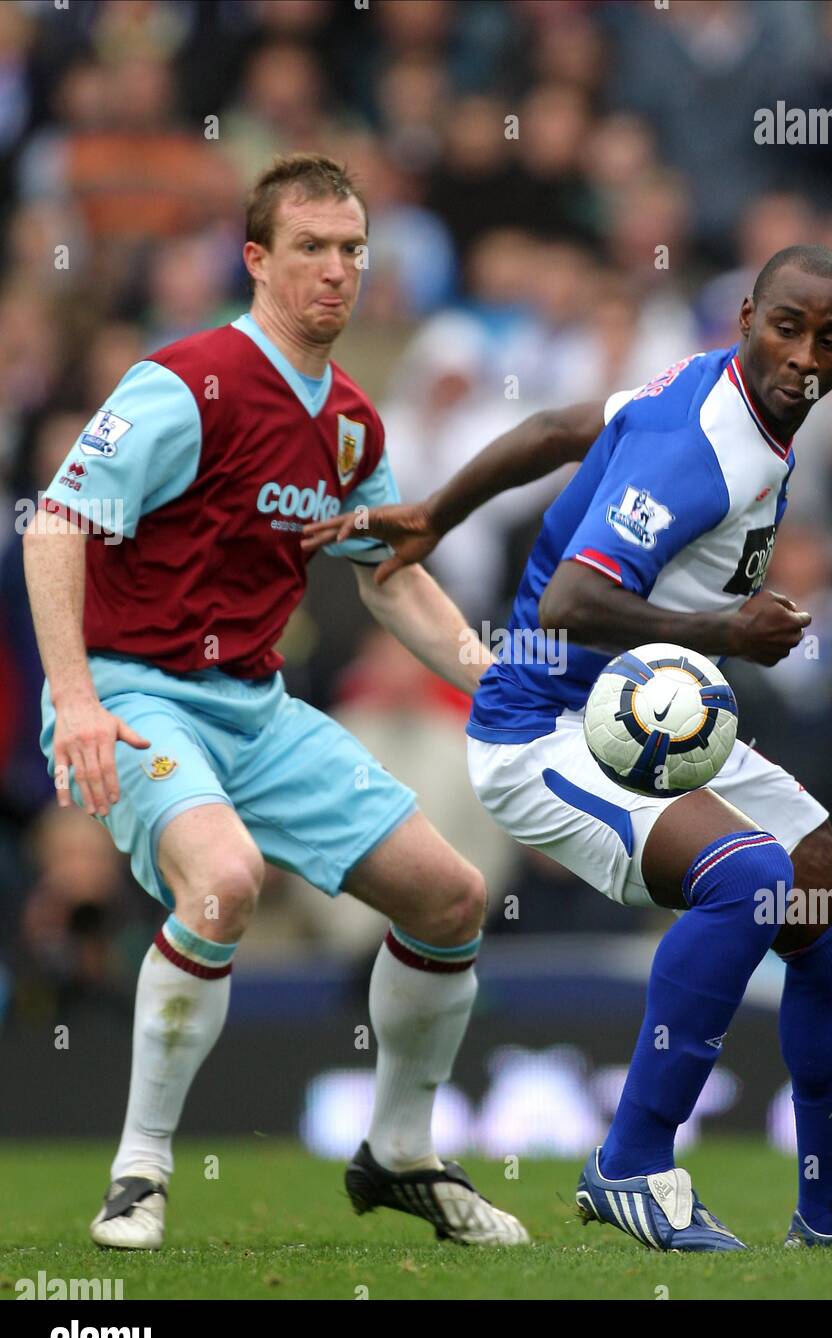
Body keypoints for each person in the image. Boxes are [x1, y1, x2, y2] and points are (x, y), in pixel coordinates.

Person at [305, 245, 832, 1252]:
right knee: (749, 879)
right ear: (746, 314)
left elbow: (558, 427)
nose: (803, 356)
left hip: (650, 721)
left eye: (829, 339)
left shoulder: (706, 388)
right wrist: (728, 634)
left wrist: (435, 514)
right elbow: (572, 604)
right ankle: (631, 1159)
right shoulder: (702, 443)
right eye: (785, 327)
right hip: (549, 731)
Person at [23, 153, 528, 1250]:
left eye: (353, 250)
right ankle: (140, 1172)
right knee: (226, 881)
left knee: (449, 898)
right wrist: (75, 700)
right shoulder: (185, 380)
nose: (336, 271)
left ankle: (399, 1151)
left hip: (256, 704)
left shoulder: (351, 423)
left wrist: (502, 684)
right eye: (310, 248)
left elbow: (388, 575)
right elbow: (54, 525)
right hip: (137, 689)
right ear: (256, 260)